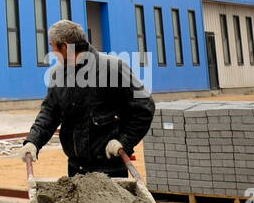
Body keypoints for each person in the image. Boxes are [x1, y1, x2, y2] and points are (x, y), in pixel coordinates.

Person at [19, 20, 154, 178]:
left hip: (109, 169)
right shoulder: (58, 74)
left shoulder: (112, 69)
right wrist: (33, 142)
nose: (52, 52)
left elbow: (144, 108)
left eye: (52, 46)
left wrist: (124, 141)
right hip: (76, 168)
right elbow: (50, 113)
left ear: (64, 46)